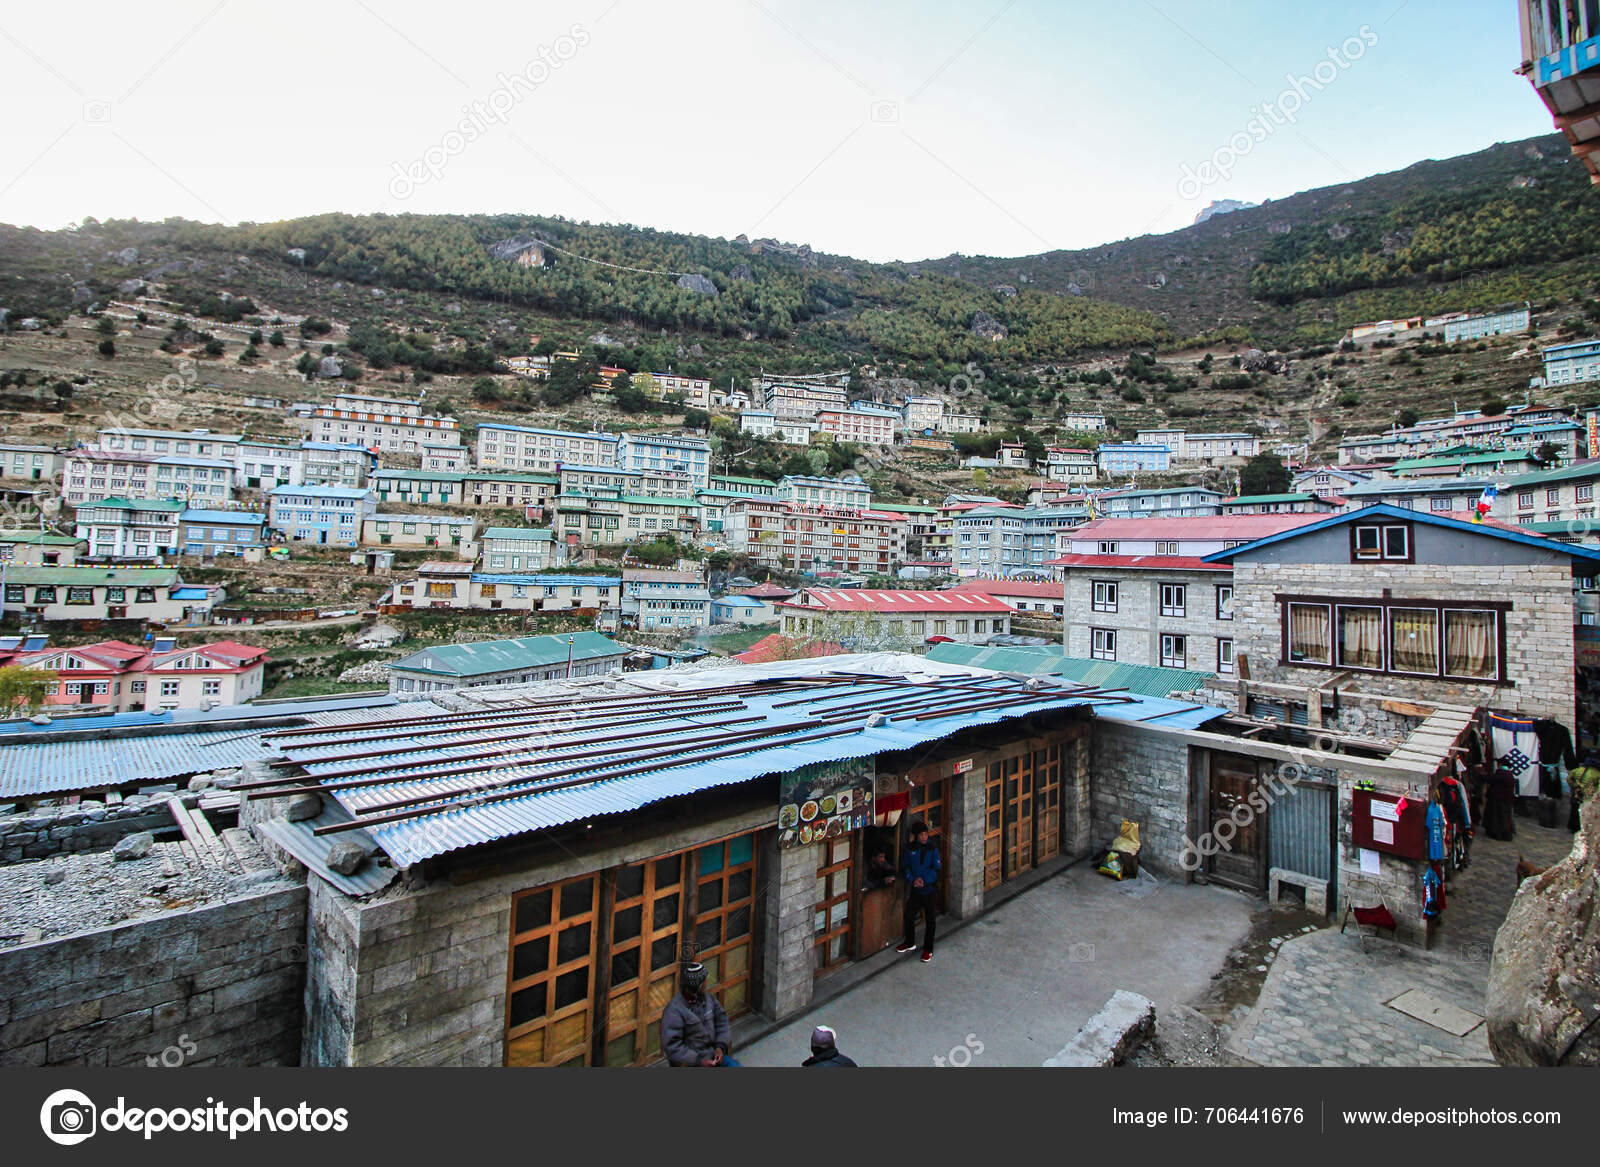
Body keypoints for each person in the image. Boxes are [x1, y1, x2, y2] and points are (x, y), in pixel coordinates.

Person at [660, 962, 739, 1066]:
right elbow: (673, 1047)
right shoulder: (674, 1011)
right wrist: (699, 1061)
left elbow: (722, 1022)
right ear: (698, 986)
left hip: (714, 1055)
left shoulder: (709, 999)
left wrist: (720, 1047)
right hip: (692, 1063)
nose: (707, 983)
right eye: (705, 981)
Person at [896, 820, 941, 962]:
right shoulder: (910, 849)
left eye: (925, 834)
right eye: (921, 835)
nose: (924, 837)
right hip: (915, 890)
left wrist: (925, 880)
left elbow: (936, 868)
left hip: (929, 890)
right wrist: (913, 880)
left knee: (930, 920)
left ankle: (928, 949)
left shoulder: (932, 849)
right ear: (916, 836)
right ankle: (910, 942)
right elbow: (906, 867)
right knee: (909, 915)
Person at [1483, 764, 1517, 842]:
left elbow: (1491, 779)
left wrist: (1481, 776)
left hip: (1499, 799)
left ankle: (1499, 833)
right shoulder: (1509, 775)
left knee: (1499, 817)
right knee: (1505, 817)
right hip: (1506, 799)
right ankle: (1504, 833)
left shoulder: (1502, 774)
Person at [1568, 753, 1600, 832]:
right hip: (1587, 795)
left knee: (1574, 810)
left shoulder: (1577, 770)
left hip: (1576, 793)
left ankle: (1572, 827)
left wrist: (1574, 785)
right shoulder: (1597, 774)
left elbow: (1569, 779)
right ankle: (1581, 827)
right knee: (1585, 811)